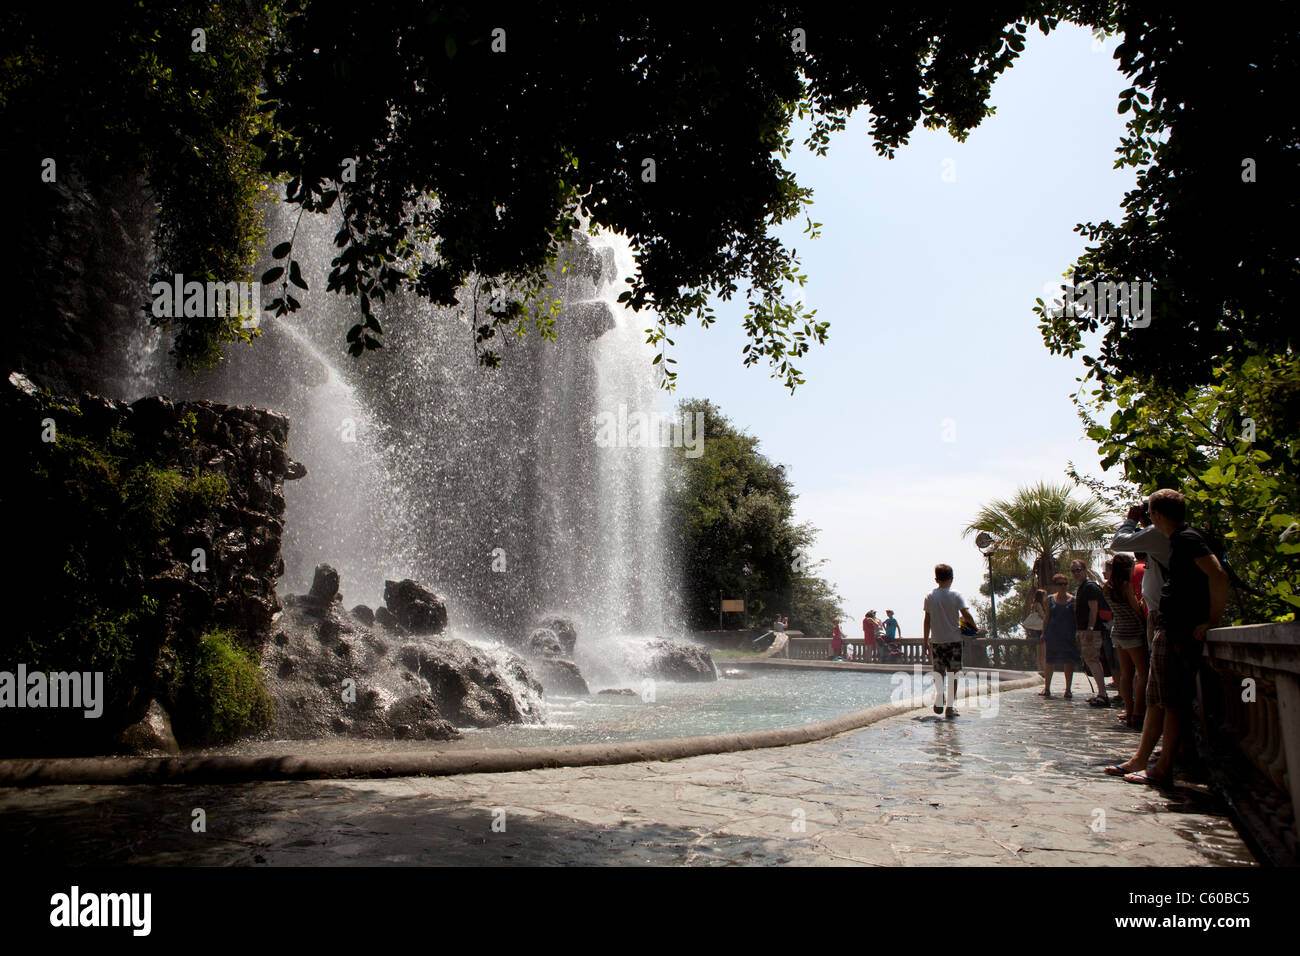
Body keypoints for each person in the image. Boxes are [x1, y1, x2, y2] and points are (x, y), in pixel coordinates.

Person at [1107, 489, 1228, 787]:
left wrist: (1211, 620)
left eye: (1150, 512)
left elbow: (1218, 575)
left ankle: (1160, 766)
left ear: (1157, 514)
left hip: (1175, 626)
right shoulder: (1181, 539)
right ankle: (1151, 760)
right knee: (1165, 697)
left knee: (1166, 698)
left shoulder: (1186, 540)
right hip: (1172, 625)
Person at [922, 563, 976, 718]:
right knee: (953, 674)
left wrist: (925, 640)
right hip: (954, 640)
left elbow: (927, 620)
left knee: (938, 672)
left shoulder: (930, 597)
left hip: (937, 641)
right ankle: (950, 707)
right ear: (951, 578)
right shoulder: (956, 595)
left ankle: (940, 696)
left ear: (936, 579)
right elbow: (966, 614)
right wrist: (975, 628)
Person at [1106, 553, 1147, 729]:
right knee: (1143, 673)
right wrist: (1143, 602)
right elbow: (1136, 609)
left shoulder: (1106, 587)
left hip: (1118, 632)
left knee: (1125, 675)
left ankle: (1128, 710)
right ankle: (1137, 712)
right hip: (1132, 632)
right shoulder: (1125, 586)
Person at [1071, 559, 1110, 706]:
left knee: (1093, 660)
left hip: (1092, 631)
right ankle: (1100, 692)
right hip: (1083, 630)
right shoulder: (1081, 588)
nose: (1076, 573)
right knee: (1091, 660)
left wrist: (1090, 628)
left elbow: (1093, 609)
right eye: (1073, 571)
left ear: (1085, 570)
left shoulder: (1090, 588)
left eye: (1078, 570)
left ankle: (1102, 693)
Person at [1041, 573, 1079, 698]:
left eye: (1065, 584)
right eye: (1060, 584)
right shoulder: (1050, 599)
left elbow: (1076, 618)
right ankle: (1047, 688)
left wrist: (1078, 633)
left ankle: (1068, 689)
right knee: (1049, 661)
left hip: (1068, 634)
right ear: (1055, 586)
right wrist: (1043, 632)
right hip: (1053, 634)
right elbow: (1047, 617)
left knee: (1068, 662)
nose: (1063, 586)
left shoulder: (1073, 600)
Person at [1024, 589, 1048, 677]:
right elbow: (1042, 615)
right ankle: (1044, 671)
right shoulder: (1038, 605)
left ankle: (1040, 669)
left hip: (1037, 630)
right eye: (1045, 595)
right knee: (1043, 652)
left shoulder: (1034, 604)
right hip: (1041, 629)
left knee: (1040, 651)